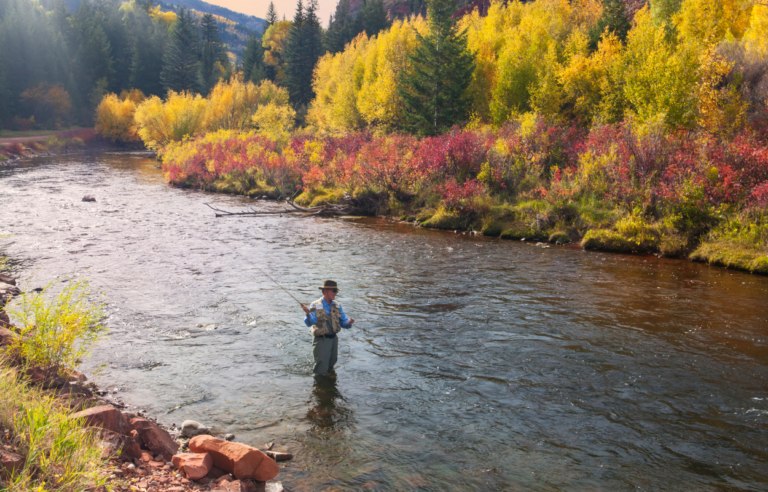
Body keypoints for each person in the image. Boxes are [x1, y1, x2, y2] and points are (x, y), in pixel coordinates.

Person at [301, 280, 355, 376]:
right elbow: (310, 322)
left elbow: (343, 322)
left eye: (336, 291)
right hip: (321, 340)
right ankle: (319, 386)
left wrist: (349, 322)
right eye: (334, 290)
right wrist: (308, 313)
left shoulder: (337, 305)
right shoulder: (315, 304)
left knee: (331, 365)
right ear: (326, 291)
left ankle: (330, 384)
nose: (336, 293)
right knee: (320, 369)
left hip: (333, 340)